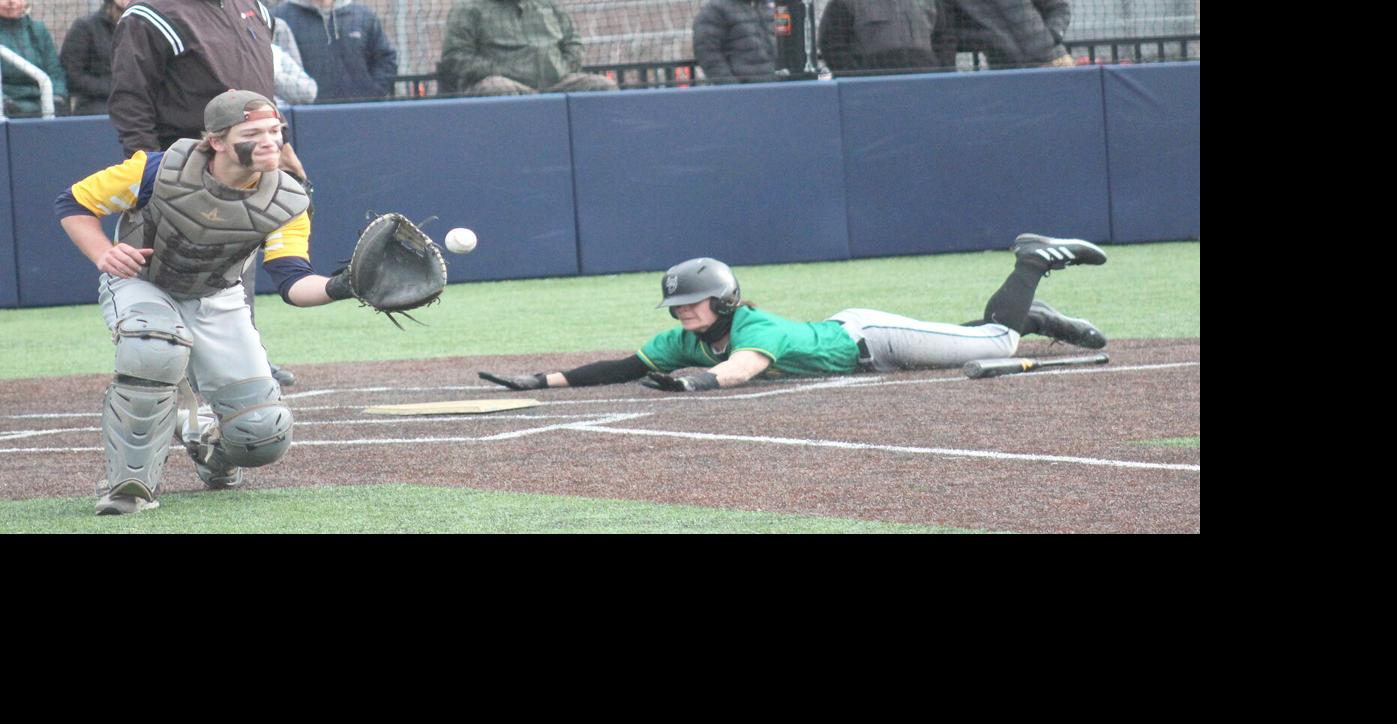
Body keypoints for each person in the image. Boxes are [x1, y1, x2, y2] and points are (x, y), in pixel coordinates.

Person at [58, 91, 370, 515]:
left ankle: (209, 448)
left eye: (276, 132)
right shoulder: (157, 167)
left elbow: (292, 281)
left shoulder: (288, 199)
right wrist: (102, 253)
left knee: (262, 433)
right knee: (152, 345)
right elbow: (75, 202)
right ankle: (129, 487)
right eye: (253, 133)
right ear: (217, 141)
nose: (269, 141)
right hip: (141, 281)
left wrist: (345, 286)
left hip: (217, 294)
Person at [478, 234, 1107, 394]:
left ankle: (1031, 266)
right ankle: (1036, 315)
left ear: (722, 298)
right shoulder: (687, 338)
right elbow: (620, 366)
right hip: (867, 350)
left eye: (691, 302)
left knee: (995, 343)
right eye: (676, 305)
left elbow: (743, 370)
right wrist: (544, 380)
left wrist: (693, 383)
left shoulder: (754, 327)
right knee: (978, 337)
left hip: (873, 339)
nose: (682, 312)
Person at [110, 0, 298, 387]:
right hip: (184, 168)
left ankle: (243, 362)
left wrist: (281, 147)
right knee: (175, 272)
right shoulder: (150, 14)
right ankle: (163, 365)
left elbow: (258, 97)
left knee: (235, 264)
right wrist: (149, 171)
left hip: (242, 162)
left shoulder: (255, 8)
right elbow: (130, 100)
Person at [437, 0, 618, 96]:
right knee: (499, 89)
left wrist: (562, 69)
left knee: (601, 86)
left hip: (556, 84)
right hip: (505, 87)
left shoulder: (547, 5)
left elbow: (573, 43)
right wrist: (502, 72)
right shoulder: (468, 8)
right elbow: (456, 57)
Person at [273, 0, 396, 103]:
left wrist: (372, 94)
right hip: (304, 115)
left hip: (361, 111)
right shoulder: (281, 17)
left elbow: (385, 59)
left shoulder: (363, 15)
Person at [818, 0, 955, 76]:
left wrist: (941, 72)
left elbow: (945, 39)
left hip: (926, 85)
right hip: (873, 92)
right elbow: (831, 44)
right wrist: (857, 78)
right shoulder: (846, 3)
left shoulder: (931, 2)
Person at [947, 0, 1076, 68]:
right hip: (1006, 72)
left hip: (1055, 62)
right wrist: (987, 40)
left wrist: (1051, 37)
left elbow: (1059, 8)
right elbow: (949, 30)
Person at [59, 0, 131, 116]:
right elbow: (72, 75)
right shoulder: (85, 27)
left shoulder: (145, 27)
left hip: (138, 101)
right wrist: (113, 88)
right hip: (96, 103)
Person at [0, 0, 68, 117]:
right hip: (8, 107)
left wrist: (57, 96)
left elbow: (55, 72)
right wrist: (5, 101)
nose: (11, 2)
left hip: (43, 103)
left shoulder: (39, 30)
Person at [692, 0, 777, 84]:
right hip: (744, 90)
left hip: (776, 87)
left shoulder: (767, 6)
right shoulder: (715, 10)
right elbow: (707, 53)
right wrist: (731, 87)